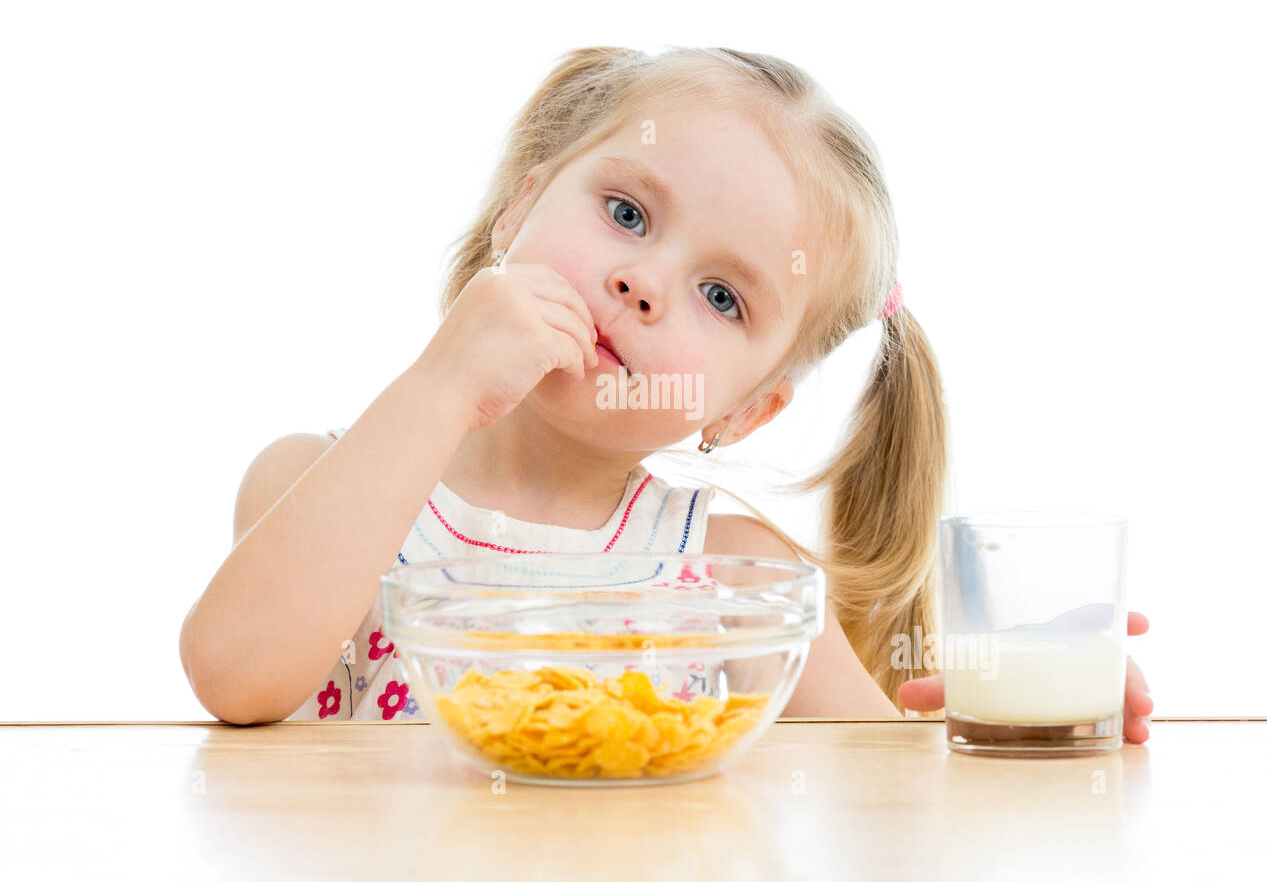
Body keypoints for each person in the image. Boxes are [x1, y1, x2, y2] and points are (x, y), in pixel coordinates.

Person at [179, 45, 1153, 740]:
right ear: (519, 206)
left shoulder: (728, 574)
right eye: (627, 211)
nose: (642, 282)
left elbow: (894, 799)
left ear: (744, 411)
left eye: (721, 295)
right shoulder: (322, 481)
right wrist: (441, 383)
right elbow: (235, 677)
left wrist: (1028, 716)